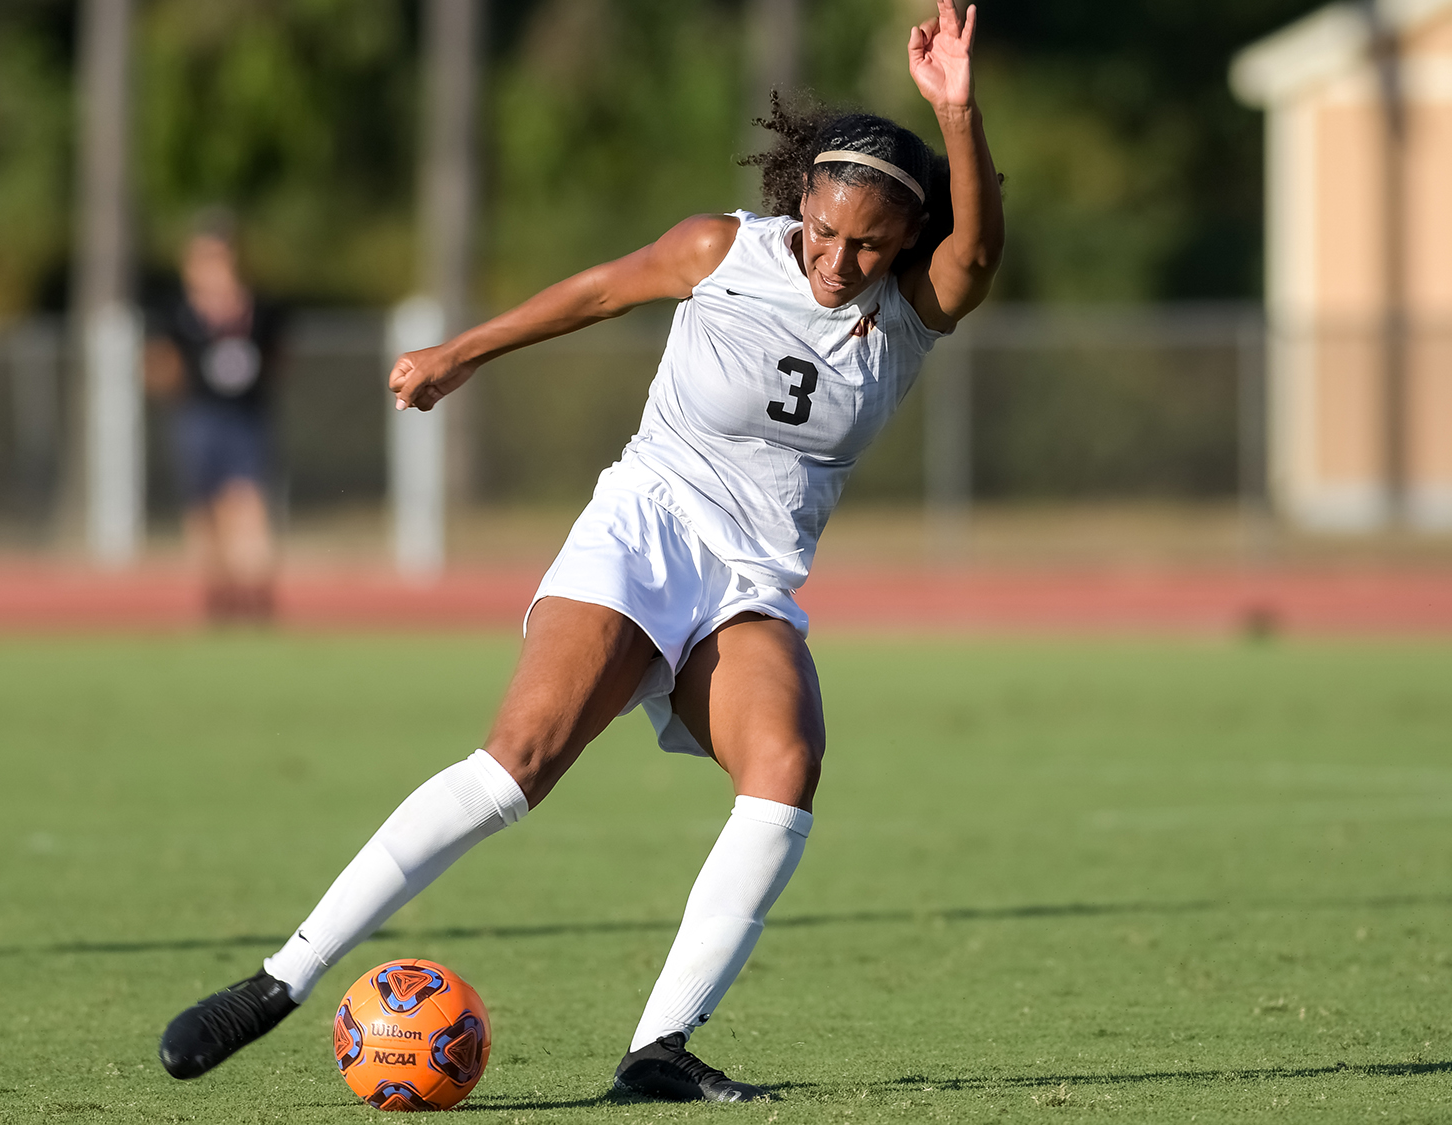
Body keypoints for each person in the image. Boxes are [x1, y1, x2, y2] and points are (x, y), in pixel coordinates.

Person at [157, 0, 1001, 1103]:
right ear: (799, 201)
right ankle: (281, 979)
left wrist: (957, 111)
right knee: (518, 765)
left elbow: (977, 245)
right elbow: (598, 292)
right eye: (825, 232)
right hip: (644, 528)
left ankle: (656, 1052)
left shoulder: (908, 314)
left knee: (785, 771)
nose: (838, 261)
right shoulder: (719, 251)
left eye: (869, 245)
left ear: (903, 246)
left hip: (748, 580)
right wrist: (461, 353)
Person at [144, 210, 286, 623]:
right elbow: (160, 367)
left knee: (246, 505)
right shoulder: (177, 315)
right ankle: (218, 602)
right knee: (204, 512)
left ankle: (257, 601)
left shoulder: (260, 311)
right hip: (199, 417)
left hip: (245, 417)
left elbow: (278, 361)